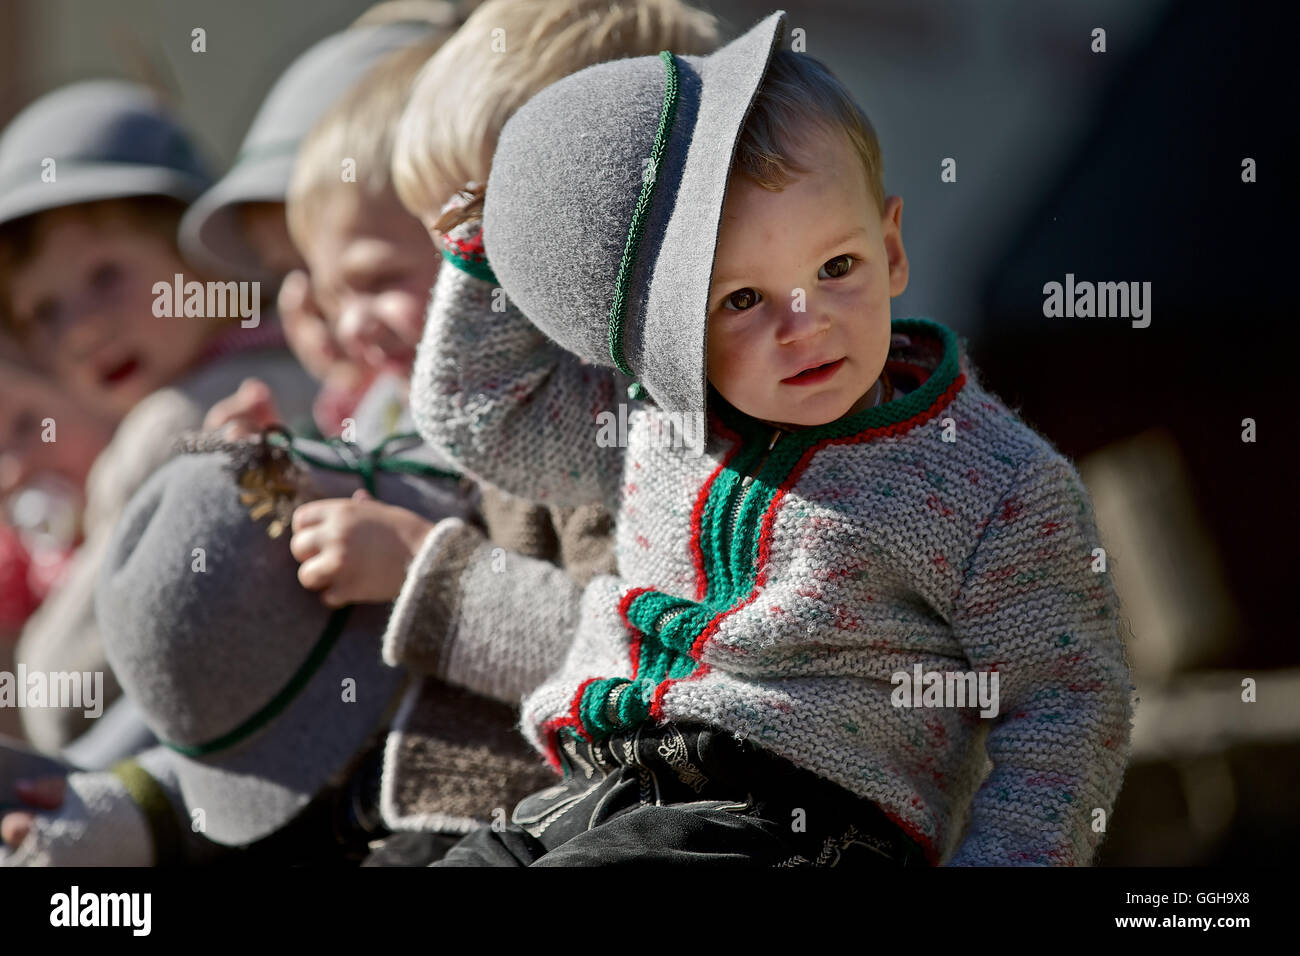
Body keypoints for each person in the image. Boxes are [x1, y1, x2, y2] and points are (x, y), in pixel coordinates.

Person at [402, 11, 1136, 866]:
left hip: (799, 818)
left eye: (837, 269)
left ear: (892, 249)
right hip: (602, 788)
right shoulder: (661, 422)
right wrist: (492, 246)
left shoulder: (996, 485)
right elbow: (475, 409)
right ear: (669, 325)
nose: (806, 324)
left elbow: (1069, 704)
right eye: (741, 299)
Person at [0, 80, 317, 757]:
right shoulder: (307, 356)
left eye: (106, 274)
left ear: (200, 255)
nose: (81, 332)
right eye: (43, 313)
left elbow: (60, 700)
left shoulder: (175, 424)